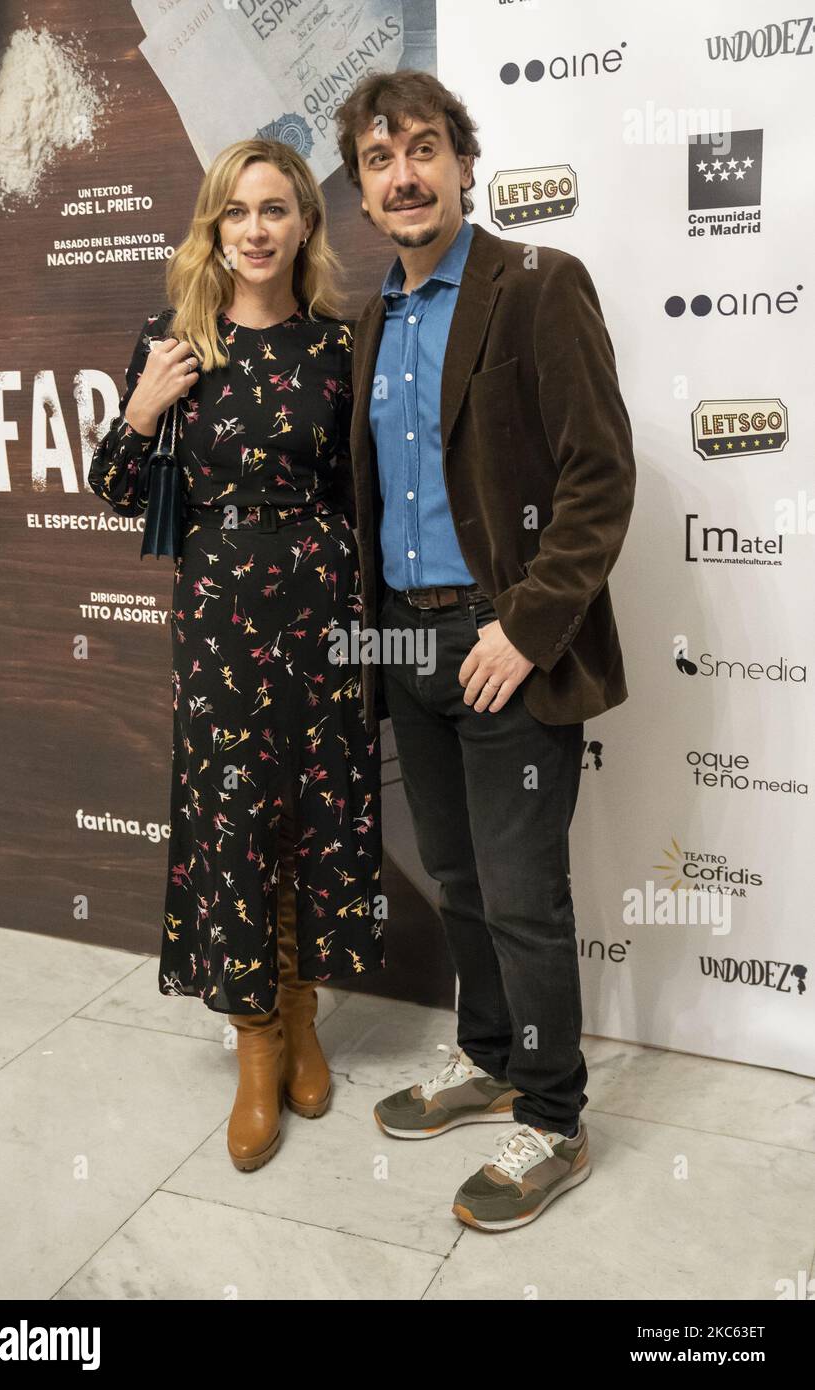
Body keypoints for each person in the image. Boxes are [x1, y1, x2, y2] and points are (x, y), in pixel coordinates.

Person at [334, 71, 636, 1232]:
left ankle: (552, 1117)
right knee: (457, 878)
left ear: (464, 163)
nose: (402, 173)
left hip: (501, 640)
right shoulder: (370, 323)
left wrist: (523, 625)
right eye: (378, 158)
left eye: (421, 148)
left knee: (519, 892)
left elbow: (596, 480)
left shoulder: (537, 286)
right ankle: (490, 1055)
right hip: (406, 643)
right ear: (360, 190)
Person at [87, 139, 384, 1173]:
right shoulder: (172, 341)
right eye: (234, 213)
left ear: (305, 223)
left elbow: (362, 497)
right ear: (212, 230)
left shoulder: (340, 350)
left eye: (274, 209)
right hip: (219, 620)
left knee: (313, 812)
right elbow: (119, 488)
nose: (254, 229)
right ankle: (255, 1040)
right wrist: (143, 406)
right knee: (235, 817)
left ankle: (302, 1014)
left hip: (322, 611)